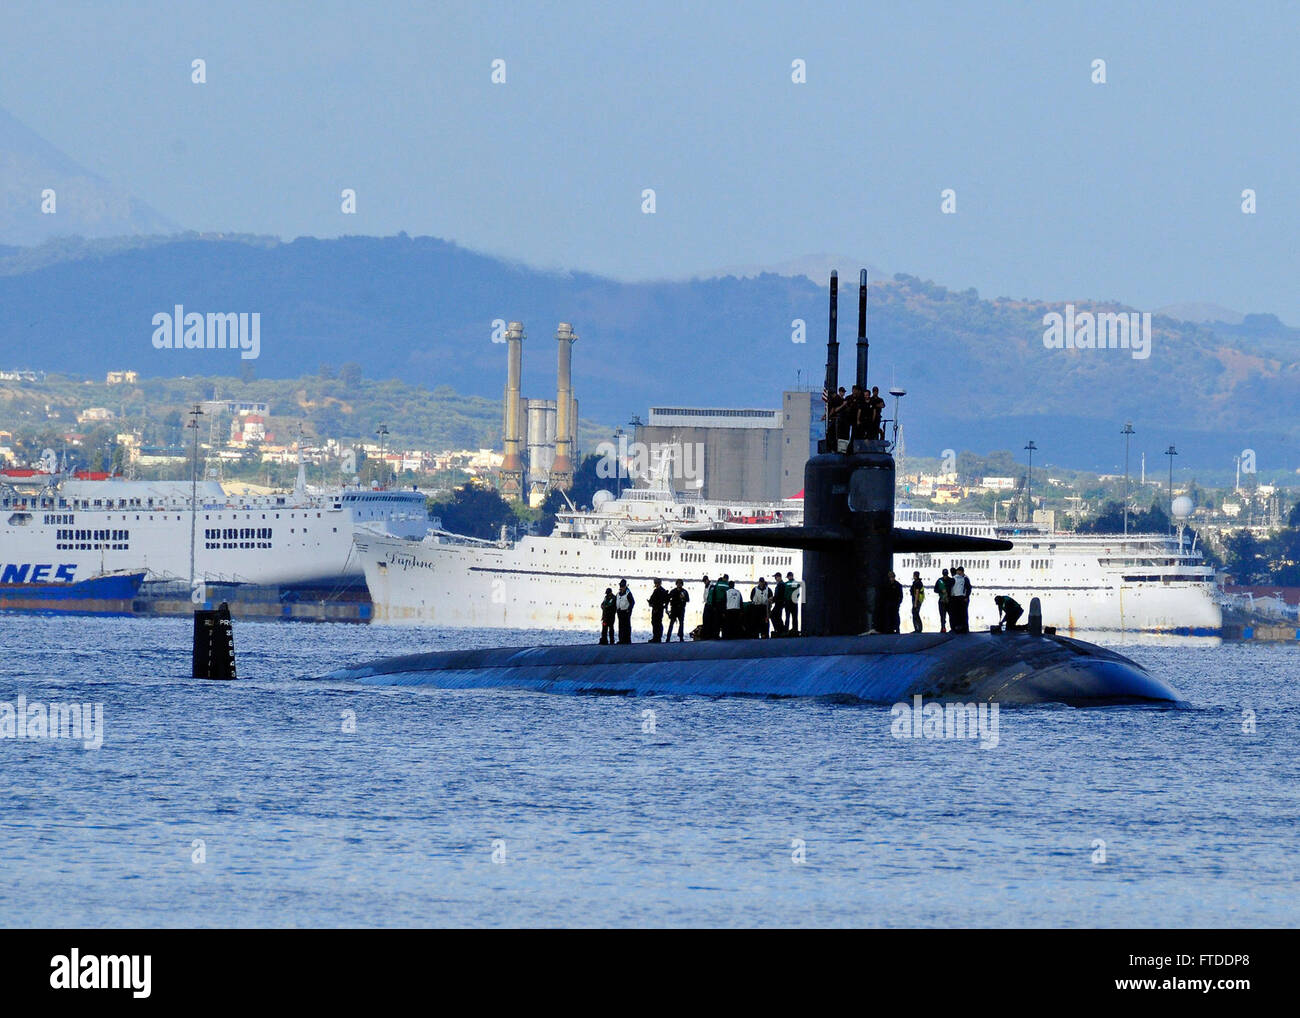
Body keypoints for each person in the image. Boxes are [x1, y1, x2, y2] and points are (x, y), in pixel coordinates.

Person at [949, 566, 971, 633]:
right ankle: (959, 627)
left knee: (963, 614)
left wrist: (966, 597)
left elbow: (968, 588)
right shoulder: (958, 578)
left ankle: (964, 628)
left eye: (958, 571)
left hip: (962, 598)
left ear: (961, 571)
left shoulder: (964, 579)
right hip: (959, 598)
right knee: (959, 613)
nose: (957, 572)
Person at [647, 578, 669, 643]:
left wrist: (652, 603)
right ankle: (656, 637)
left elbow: (661, 601)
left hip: (658, 609)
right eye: (655, 583)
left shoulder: (660, 591)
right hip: (656, 609)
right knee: (655, 623)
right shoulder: (658, 590)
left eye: (656, 583)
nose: (656, 584)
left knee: (657, 623)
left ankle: (657, 638)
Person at [615, 579, 635, 644]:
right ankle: (621, 639)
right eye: (621, 586)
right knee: (620, 626)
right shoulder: (618, 594)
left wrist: (629, 610)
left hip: (626, 612)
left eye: (623, 586)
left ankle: (627, 640)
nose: (622, 587)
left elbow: (632, 602)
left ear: (625, 586)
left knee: (626, 626)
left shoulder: (628, 593)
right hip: (620, 612)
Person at [933, 568, 953, 633]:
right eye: (944, 575)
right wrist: (941, 591)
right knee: (942, 615)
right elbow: (935, 590)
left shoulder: (951, 580)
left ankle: (952, 628)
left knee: (951, 615)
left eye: (946, 574)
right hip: (942, 600)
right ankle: (943, 627)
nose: (945, 576)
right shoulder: (940, 580)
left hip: (949, 600)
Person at [700, 575, 715, 640]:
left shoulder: (711, 586)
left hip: (710, 605)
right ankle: (706, 634)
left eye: (704, 581)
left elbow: (710, 596)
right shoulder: (706, 586)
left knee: (708, 620)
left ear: (707, 580)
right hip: (706, 603)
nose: (704, 582)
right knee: (705, 619)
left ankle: (709, 635)